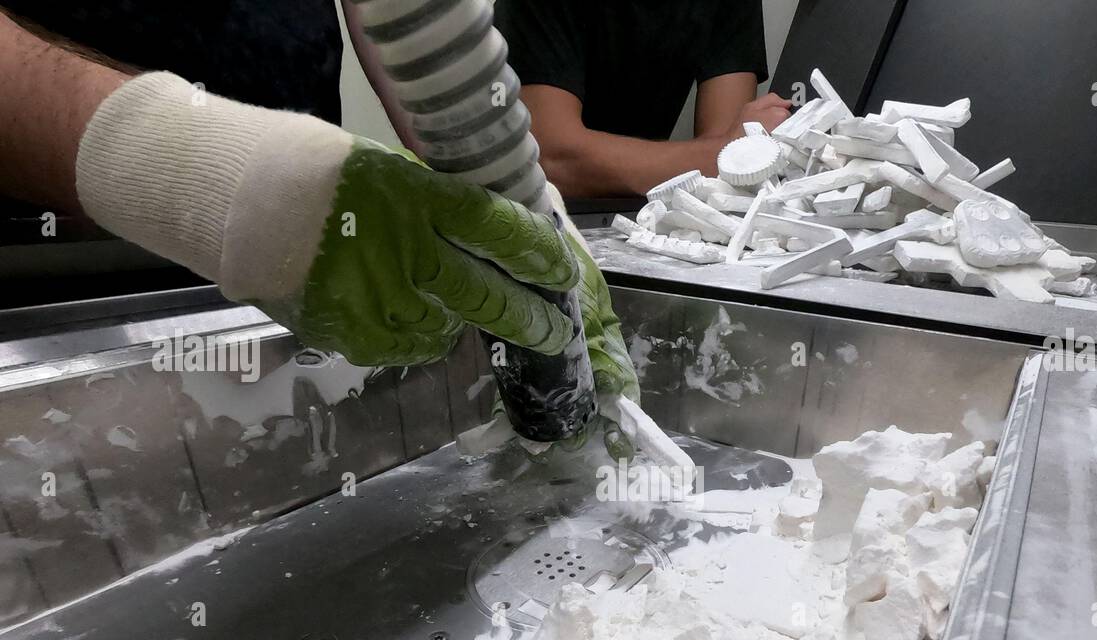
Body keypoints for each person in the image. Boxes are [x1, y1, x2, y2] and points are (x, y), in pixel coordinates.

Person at [0, 3, 636, 438]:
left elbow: (424, 32)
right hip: (53, 292)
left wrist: (522, 203)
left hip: (320, 257)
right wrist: (204, 175)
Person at [495, 0, 791, 198]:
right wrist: (729, 153)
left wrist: (737, 152)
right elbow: (554, 159)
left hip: (638, 215)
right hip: (519, 213)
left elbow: (727, 172)